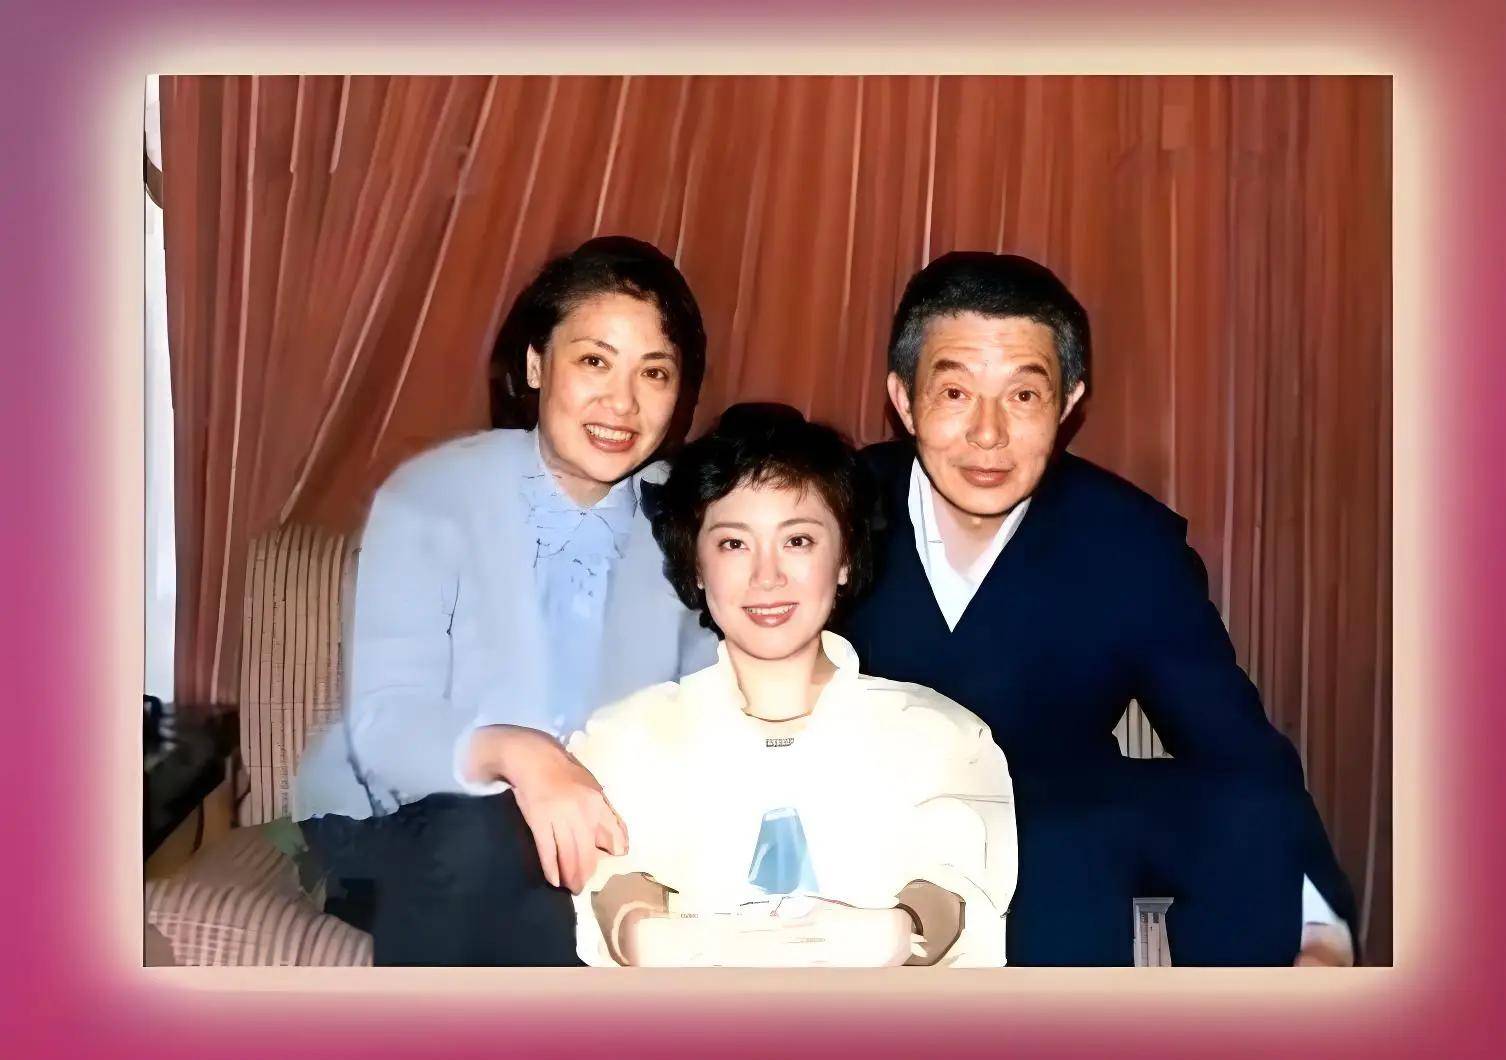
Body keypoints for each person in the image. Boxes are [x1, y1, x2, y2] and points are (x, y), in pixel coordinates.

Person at [840, 251, 1359, 967]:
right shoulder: (825, 509)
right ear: (903, 399)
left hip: (1065, 826)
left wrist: (1318, 933)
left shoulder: (1127, 540)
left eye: (1024, 395)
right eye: (955, 392)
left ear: (1068, 403)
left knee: (1224, 810)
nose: (988, 433)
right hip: (864, 820)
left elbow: (1234, 746)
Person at [292, 236, 719, 965]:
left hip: (593, 828)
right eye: (594, 361)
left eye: (654, 372)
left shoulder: (693, 520)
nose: (622, 403)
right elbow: (388, 727)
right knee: (487, 843)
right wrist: (521, 755)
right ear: (535, 365)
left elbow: (709, 709)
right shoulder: (429, 496)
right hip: (391, 818)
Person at [566, 404, 1017, 967]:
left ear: (845, 557)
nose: (767, 576)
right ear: (696, 566)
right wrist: (637, 929)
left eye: (798, 541)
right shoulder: (625, 736)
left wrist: (906, 931)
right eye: (734, 544)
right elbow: (613, 875)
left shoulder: (941, 733)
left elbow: (957, 882)